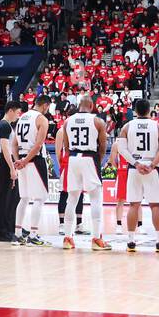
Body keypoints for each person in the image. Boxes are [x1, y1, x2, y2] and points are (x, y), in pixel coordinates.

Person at [55, 96, 110, 251]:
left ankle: (67, 238)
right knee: (95, 198)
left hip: (72, 157)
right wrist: (97, 160)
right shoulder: (98, 121)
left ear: (79, 106)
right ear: (92, 105)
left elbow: (65, 145)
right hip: (89, 157)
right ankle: (97, 238)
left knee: (71, 199)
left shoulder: (68, 121)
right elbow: (103, 146)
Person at [116, 98, 159, 254]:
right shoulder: (157, 126)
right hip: (152, 168)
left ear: (135, 111)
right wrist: (152, 165)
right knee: (155, 206)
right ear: (149, 110)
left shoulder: (127, 126)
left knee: (133, 205)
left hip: (134, 168)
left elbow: (121, 149)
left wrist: (136, 163)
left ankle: (131, 241)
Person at [11, 95, 51, 246]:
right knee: (40, 198)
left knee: (24, 198)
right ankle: (33, 235)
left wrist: (17, 161)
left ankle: (17, 234)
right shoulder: (42, 119)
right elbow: (38, 145)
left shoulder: (21, 118)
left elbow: (14, 143)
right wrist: (25, 160)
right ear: (45, 106)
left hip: (22, 161)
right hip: (34, 160)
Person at [0, 102, 23, 243]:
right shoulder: (4, 125)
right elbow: (5, 148)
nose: (18, 115)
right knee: (6, 198)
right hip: (5, 163)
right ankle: (3, 231)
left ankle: (9, 228)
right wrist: (11, 167)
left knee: (12, 197)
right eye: (17, 112)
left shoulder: (7, 125)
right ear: (10, 110)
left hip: (7, 161)